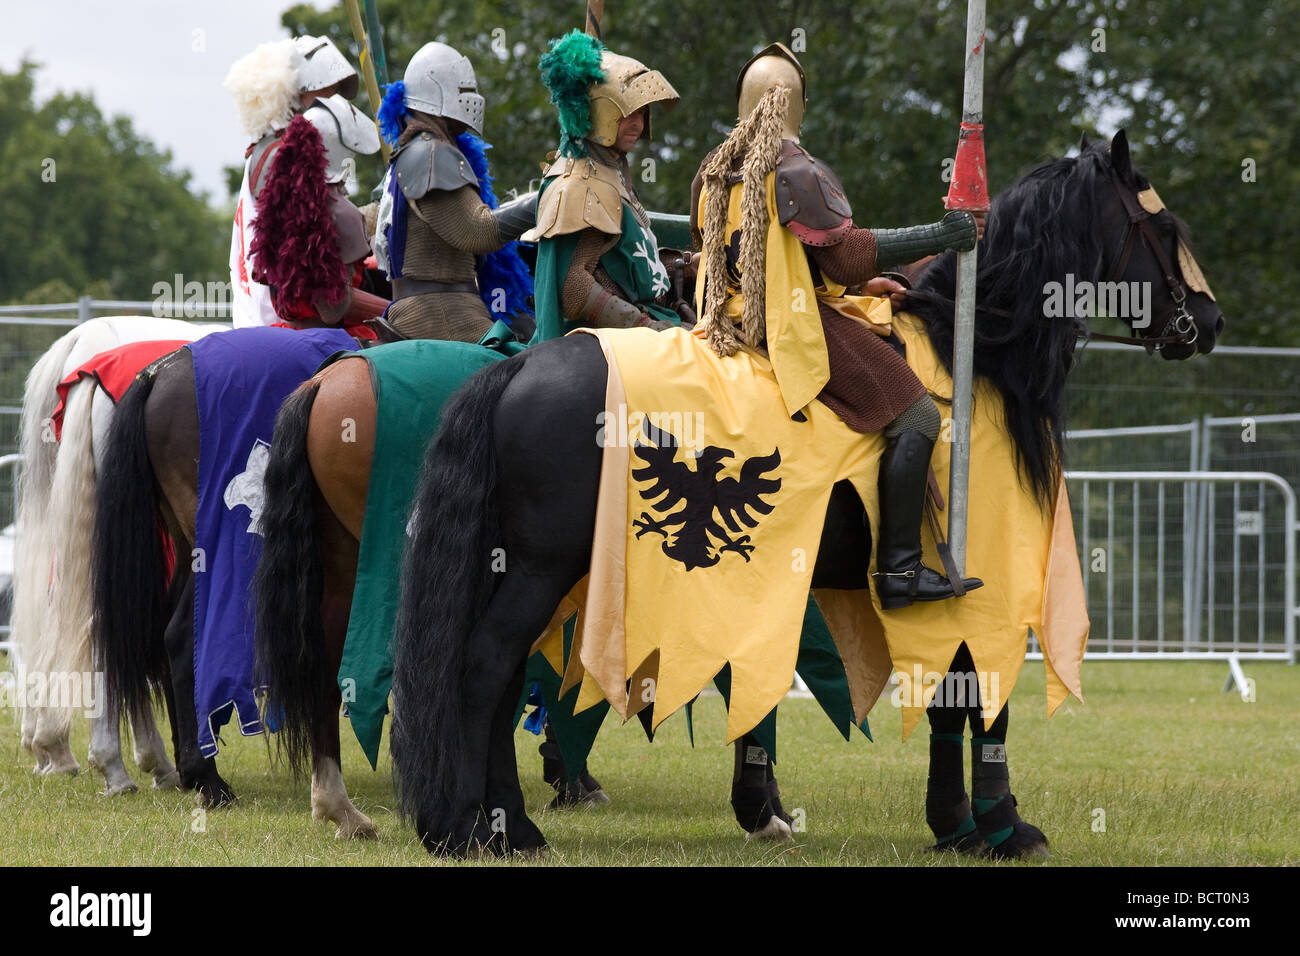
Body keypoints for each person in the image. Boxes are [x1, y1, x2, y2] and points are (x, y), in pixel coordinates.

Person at [691, 43, 983, 610]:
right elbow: (845, 256)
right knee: (918, 413)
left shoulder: (714, 169)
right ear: (796, 105)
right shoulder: (793, 168)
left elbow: (783, 260)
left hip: (726, 321)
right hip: (786, 326)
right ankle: (898, 571)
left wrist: (856, 291)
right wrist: (941, 236)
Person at [523, 30, 688, 340]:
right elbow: (573, 288)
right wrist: (646, 327)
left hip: (652, 313)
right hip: (610, 338)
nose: (638, 123)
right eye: (627, 113)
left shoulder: (609, 173)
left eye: (642, 113)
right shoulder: (582, 184)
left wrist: (686, 264)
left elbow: (630, 262)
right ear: (602, 113)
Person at [372, 42, 535, 342]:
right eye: (463, 91)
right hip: (445, 316)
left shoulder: (413, 151)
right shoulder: (433, 154)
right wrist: (545, 201)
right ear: (436, 92)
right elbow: (479, 231)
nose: (472, 99)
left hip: (424, 309)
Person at [225, 36, 363, 328]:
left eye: (338, 91)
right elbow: (313, 273)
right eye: (327, 91)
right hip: (280, 321)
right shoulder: (285, 155)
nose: (335, 100)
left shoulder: (275, 147)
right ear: (299, 93)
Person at [248, 93, 388, 330]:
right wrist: (392, 310)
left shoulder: (278, 204)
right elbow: (334, 307)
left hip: (285, 328)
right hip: (333, 337)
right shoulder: (342, 213)